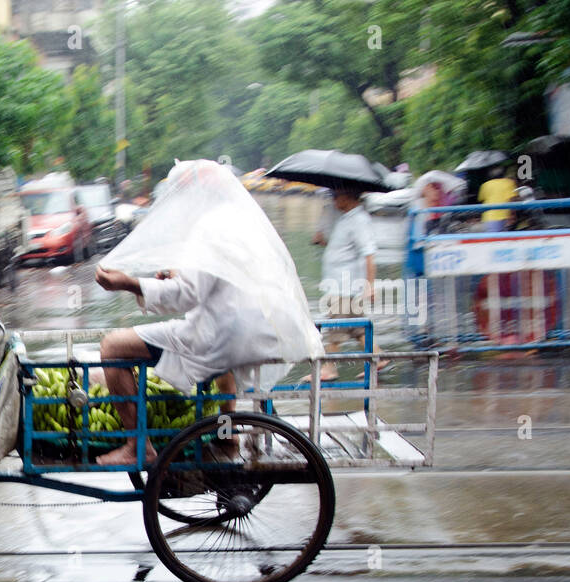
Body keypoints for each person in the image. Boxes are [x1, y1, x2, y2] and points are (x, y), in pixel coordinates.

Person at [92, 159, 323, 466]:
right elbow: (212, 281)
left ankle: (137, 445)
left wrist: (129, 284)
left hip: (224, 334)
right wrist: (173, 277)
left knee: (112, 347)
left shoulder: (208, 228)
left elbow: (188, 294)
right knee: (221, 364)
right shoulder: (240, 220)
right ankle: (227, 437)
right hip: (254, 330)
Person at [318, 186, 378, 380]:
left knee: (334, 328)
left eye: (336, 195)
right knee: (357, 329)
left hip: (344, 286)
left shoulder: (359, 220)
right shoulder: (346, 218)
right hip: (341, 284)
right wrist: (323, 242)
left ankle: (329, 368)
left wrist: (370, 285)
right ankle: (378, 357)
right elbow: (342, 251)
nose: (334, 200)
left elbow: (369, 254)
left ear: (347, 196)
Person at [478, 165, 518, 232]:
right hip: (504, 216)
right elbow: (512, 200)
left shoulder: (485, 185)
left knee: (492, 240)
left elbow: (482, 199)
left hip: (488, 217)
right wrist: (512, 216)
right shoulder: (509, 183)